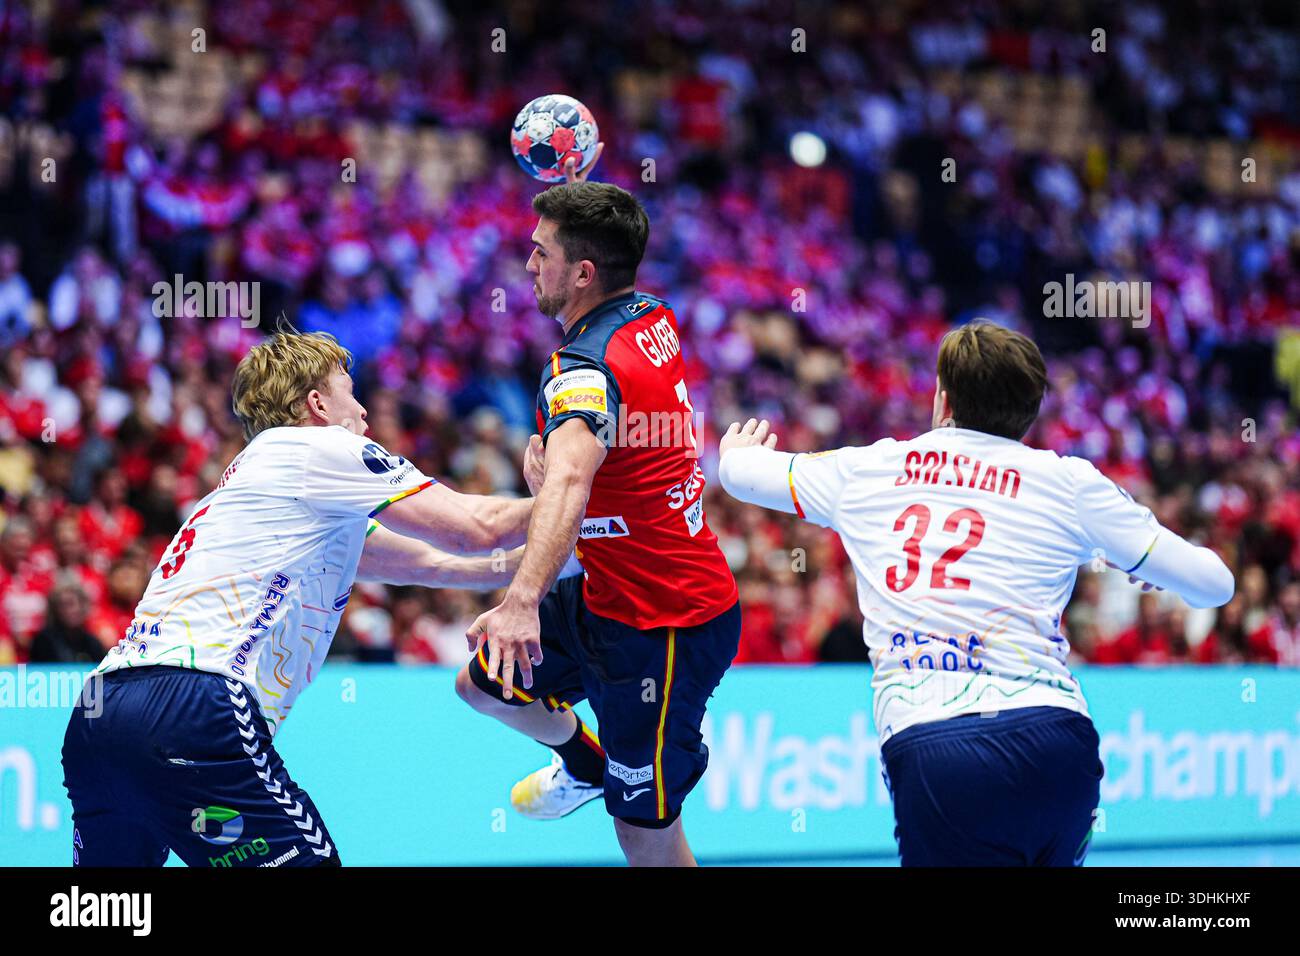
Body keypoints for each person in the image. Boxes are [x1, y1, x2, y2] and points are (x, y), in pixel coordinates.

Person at [717, 320, 1235, 866]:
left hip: (936, 746)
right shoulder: (1069, 481)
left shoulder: (868, 468)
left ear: (943, 399)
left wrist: (737, 451)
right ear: (1030, 413)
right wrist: (1147, 563)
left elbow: (741, 475)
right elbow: (1215, 584)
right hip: (1056, 738)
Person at [61, 329, 536, 867]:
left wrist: (569, 554)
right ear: (316, 403)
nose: (362, 411)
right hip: (192, 704)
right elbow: (476, 528)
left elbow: (438, 563)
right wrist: (580, 494)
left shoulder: (266, 491)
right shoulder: (321, 448)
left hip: (99, 716)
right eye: (349, 391)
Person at [454, 172, 740, 867]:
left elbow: (575, 479)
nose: (528, 265)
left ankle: (608, 778)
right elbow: (596, 468)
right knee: (483, 684)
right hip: (609, 594)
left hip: (665, 623)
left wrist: (521, 599)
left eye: (541, 252)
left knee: (643, 834)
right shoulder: (652, 315)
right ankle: (586, 765)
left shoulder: (582, 368)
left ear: (582, 272)